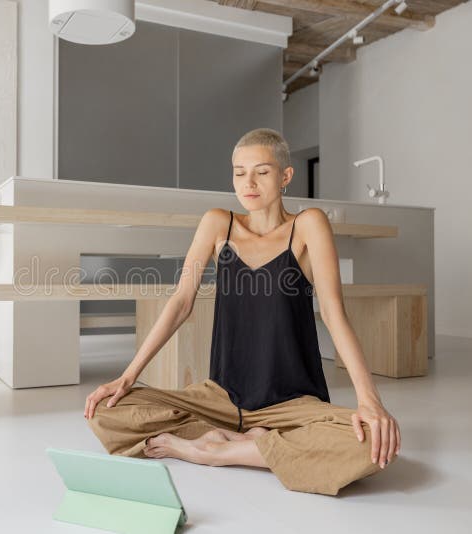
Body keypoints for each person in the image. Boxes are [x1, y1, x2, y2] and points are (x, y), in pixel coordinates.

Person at [84, 128, 401, 496]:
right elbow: (181, 301)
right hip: (222, 397)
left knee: (373, 445)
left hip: (292, 403)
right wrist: (127, 376)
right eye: (239, 172)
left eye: (262, 172)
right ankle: (255, 443)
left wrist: (369, 400)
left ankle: (222, 449)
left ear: (285, 176)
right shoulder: (219, 223)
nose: (247, 182)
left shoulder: (308, 225)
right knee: (107, 410)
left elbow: (334, 314)